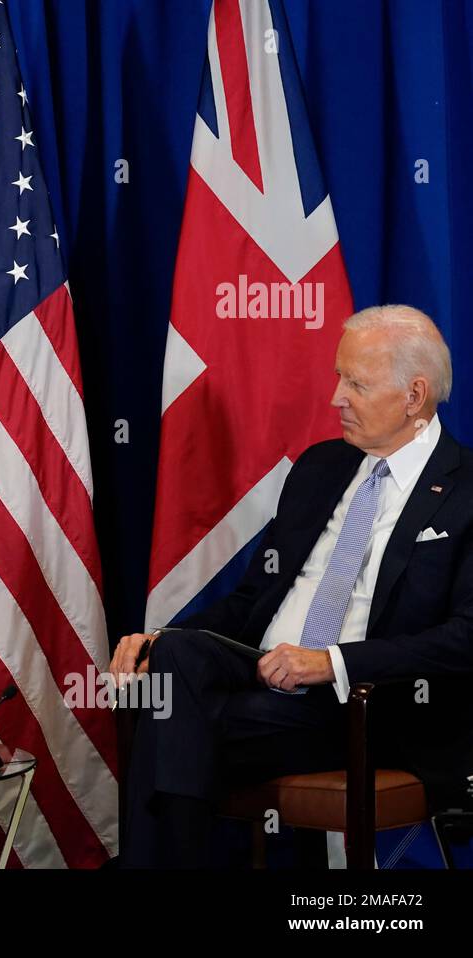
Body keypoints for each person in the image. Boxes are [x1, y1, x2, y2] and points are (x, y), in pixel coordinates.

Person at [113, 304, 473, 867]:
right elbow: (253, 600)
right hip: (261, 673)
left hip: (364, 705)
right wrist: (157, 637)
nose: (336, 397)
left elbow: (464, 639)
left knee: (170, 721)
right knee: (176, 655)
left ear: (414, 395)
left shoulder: (466, 489)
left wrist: (331, 661)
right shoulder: (320, 468)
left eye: (355, 382)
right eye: (338, 377)